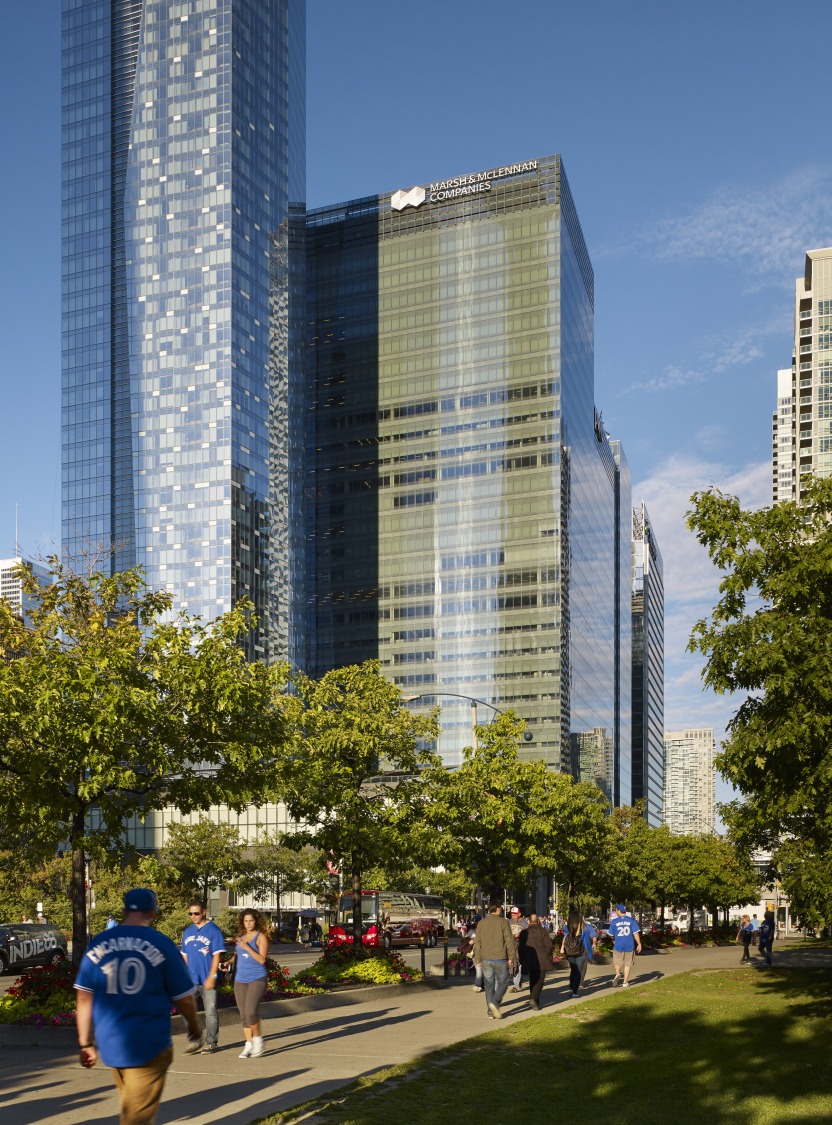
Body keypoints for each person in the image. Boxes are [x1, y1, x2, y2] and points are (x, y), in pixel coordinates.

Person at [74, 888, 202, 1125]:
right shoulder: (161, 943)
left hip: (112, 1044)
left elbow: (83, 997)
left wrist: (85, 1042)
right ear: (152, 912)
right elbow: (184, 997)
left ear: (123, 911)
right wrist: (194, 1026)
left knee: (134, 1109)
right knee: (136, 1118)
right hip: (148, 1045)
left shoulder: (99, 942)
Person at [181, 900, 226, 1054]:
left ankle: (212, 1043)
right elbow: (184, 956)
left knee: (211, 1012)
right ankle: (195, 1039)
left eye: (196, 913)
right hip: (191, 980)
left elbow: (217, 955)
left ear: (204, 912)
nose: (193, 916)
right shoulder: (188, 931)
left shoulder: (213, 930)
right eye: (190, 913)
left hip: (208, 979)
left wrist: (212, 976)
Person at [233, 908, 270, 1057]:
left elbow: (262, 959)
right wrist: (229, 962)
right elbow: (238, 954)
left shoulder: (261, 937)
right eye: (246, 921)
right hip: (240, 979)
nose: (248, 923)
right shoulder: (241, 937)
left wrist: (247, 947)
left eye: (251, 921)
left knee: (250, 1012)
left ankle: (258, 1041)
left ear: (256, 921)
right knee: (243, 1015)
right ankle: (248, 1045)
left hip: (257, 978)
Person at [473, 903, 515, 1019]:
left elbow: (478, 943)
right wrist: (511, 957)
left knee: (489, 986)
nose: (501, 910)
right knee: (504, 983)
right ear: (497, 909)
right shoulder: (503, 922)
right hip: (500, 957)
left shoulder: (482, 923)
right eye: (500, 908)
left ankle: (490, 1012)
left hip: (486, 958)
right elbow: (509, 940)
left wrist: (478, 958)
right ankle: (495, 1003)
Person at [518, 913, 553, 1010]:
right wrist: (547, 954)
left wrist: (522, 959)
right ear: (538, 921)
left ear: (529, 921)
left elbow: (521, 948)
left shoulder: (524, 932)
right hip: (541, 959)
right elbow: (549, 945)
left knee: (533, 980)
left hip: (528, 959)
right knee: (540, 981)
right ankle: (533, 998)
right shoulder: (543, 931)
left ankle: (535, 1001)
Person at [560, 910, 596, 998]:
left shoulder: (567, 927)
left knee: (573, 970)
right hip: (581, 951)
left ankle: (571, 988)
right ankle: (575, 991)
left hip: (570, 951)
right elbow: (591, 938)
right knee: (579, 971)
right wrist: (592, 947)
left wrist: (562, 947)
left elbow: (565, 938)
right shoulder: (585, 927)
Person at [608, 903, 642, 988]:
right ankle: (625, 982)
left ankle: (618, 973)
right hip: (629, 944)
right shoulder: (631, 920)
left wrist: (613, 939)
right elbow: (636, 933)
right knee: (628, 964)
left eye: (616, 910)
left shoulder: (614, 922)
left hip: (618, 944)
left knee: (617, 961)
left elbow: (611, 935)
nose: (616, 911)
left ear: (619, 911)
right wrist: (639, 944)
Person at [507, 906, 528, 992]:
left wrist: (520, 935)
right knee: (512, 964)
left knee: (518, 965)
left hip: (520, 947)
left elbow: (528, 935)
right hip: (510, 946)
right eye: (512, 914)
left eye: (515, 914)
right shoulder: (508, 922)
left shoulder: (524, 923)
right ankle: (517, 982)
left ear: (519, 914)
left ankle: (516, 985)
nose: (513, 916)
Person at [458, 922, 483, 992]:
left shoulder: (484, 930)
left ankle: (479, 985)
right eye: (477, 921)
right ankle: (478, 985)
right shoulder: (472, 930)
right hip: (475, 953)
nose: (478, 923)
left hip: (483, 952)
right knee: (479, 968)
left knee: (480, 969)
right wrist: (469, 940)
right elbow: (466, 938)